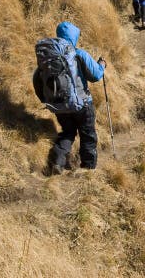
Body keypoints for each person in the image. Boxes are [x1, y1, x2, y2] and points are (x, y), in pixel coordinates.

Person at [33, 21, 105, 175]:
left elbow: (37, 80)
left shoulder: (49, 58)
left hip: (60, 106)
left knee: (67, 132)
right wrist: (102, 65)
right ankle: (88, 169)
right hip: (82, 105)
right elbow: (96, 75)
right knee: (88, 135)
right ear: (74, 36)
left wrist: (47, 100)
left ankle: (57, 162)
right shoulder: (78, 54)